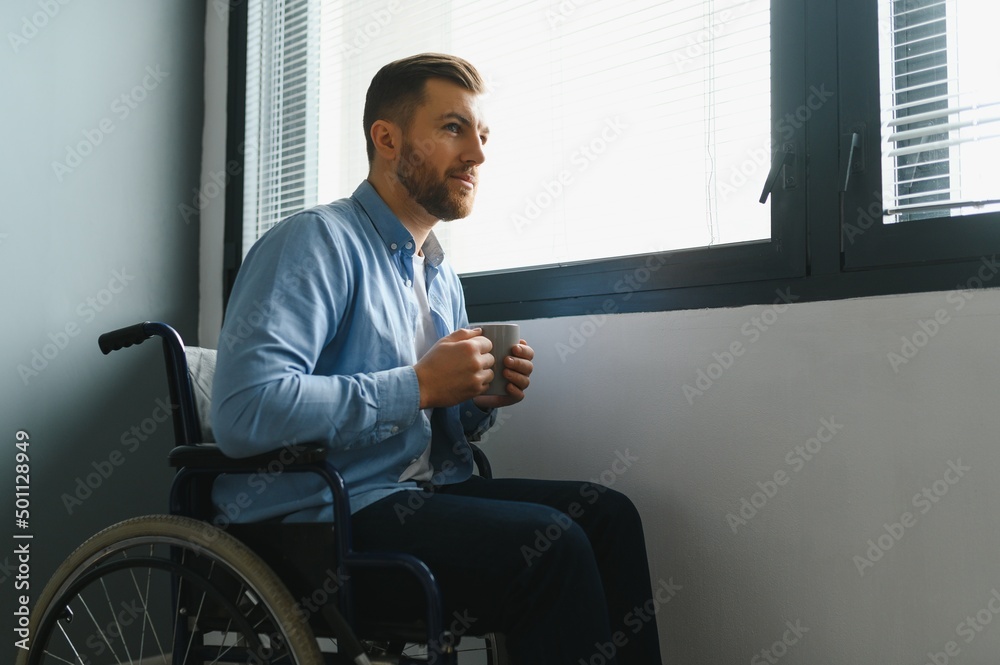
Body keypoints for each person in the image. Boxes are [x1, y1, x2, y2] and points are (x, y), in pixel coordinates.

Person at [211, 53, 663, 664]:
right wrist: (420, 385)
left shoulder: (438, 272)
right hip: (329, 518)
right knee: (552, 546)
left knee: (609, 517)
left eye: (482, 135)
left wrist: (473, 401)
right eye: (454, 129)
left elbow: (431, 423)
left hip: (426, 493)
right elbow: (243, 412)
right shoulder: (315, 242)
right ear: (387, 138)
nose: (478, 154)